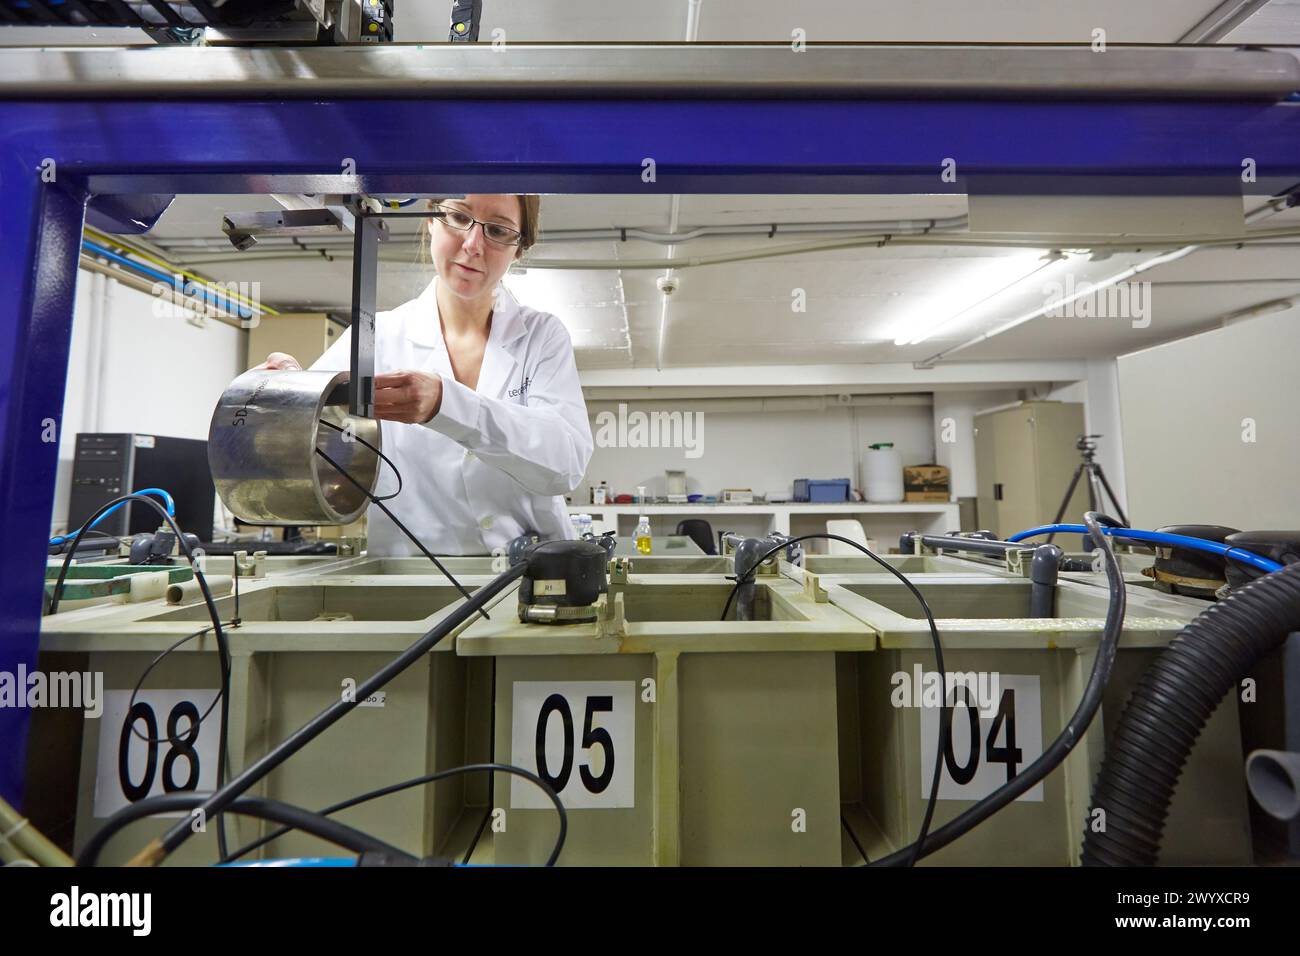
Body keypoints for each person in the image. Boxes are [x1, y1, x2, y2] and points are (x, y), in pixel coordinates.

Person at [255, 194, 592, 556]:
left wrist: (446, 404)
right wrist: (280, 395)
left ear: (519, 249)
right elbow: (306, 441)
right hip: (416, 583)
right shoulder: (375, 336)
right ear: (430, 218)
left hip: (537, 577)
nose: (473, 244)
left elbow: (565, 464)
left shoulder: (542, 336)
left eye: (497, 230)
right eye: (459, 217)